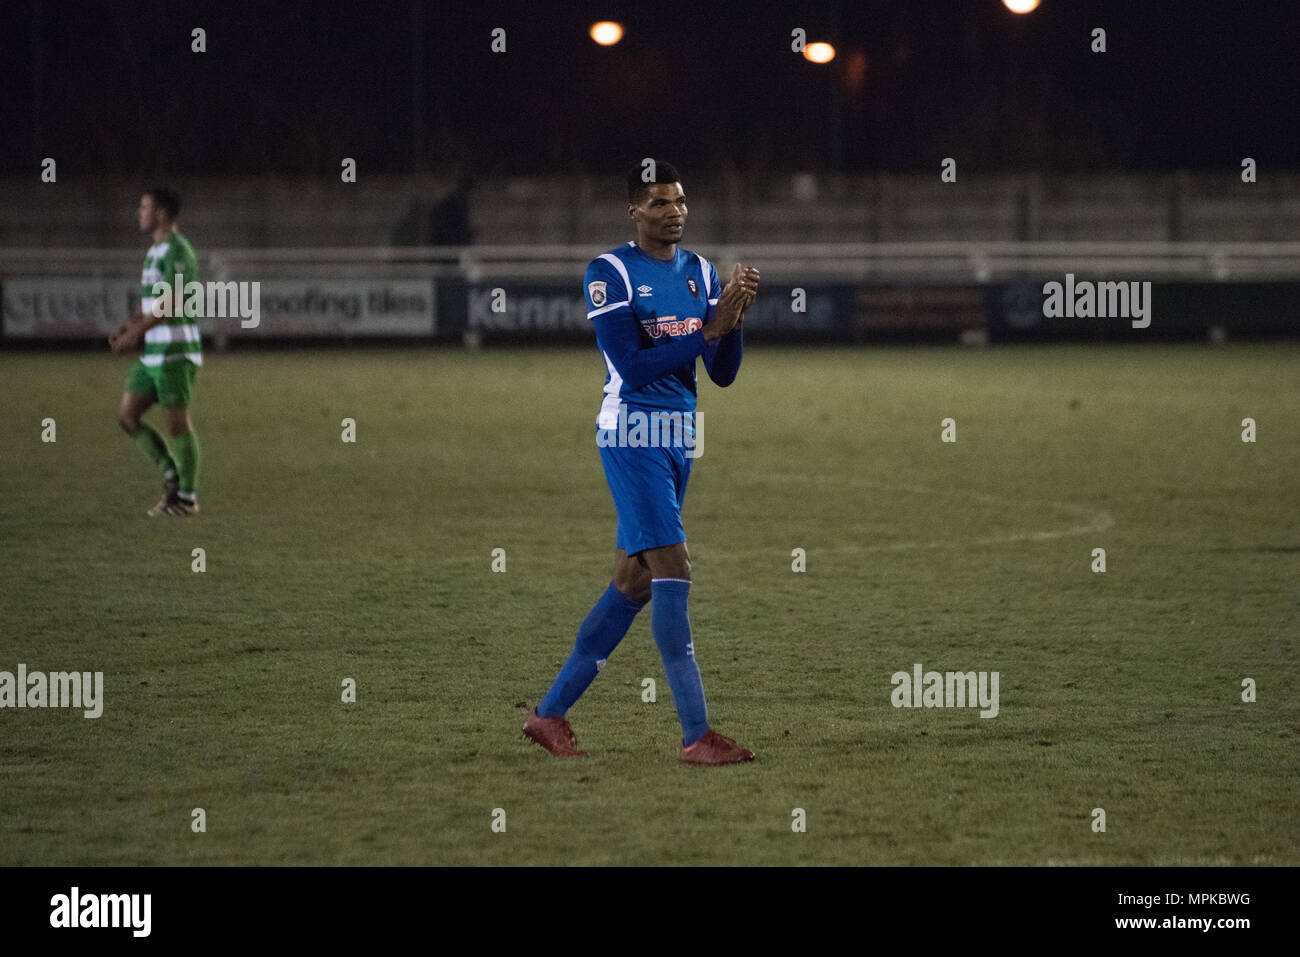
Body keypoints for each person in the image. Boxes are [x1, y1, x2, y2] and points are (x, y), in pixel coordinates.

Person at [524, 161, 760, 766]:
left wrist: (731, 323)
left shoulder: (700, 271)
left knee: (632, 583)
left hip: (681, 435)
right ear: (634, 211)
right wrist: (708, 329)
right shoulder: (610, 272)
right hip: (630, 431)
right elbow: (632, 365)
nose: (673, 211)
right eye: (658, 203)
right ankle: (695, 734)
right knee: (674, 568)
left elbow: (723, 375)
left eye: (679, 201)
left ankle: (549, 716)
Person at [109, 187, 203, 516]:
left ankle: (186, 499)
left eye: (144, 207)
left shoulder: (179, 252)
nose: (139, 212)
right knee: (127, 416)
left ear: (162, 213)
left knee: (178, 425)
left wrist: (134, 334)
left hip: (176, 351)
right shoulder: (154, 253)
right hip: (153, 353)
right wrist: (128, 324)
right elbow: (152, 304)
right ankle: (172, 473)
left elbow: (171, 305)